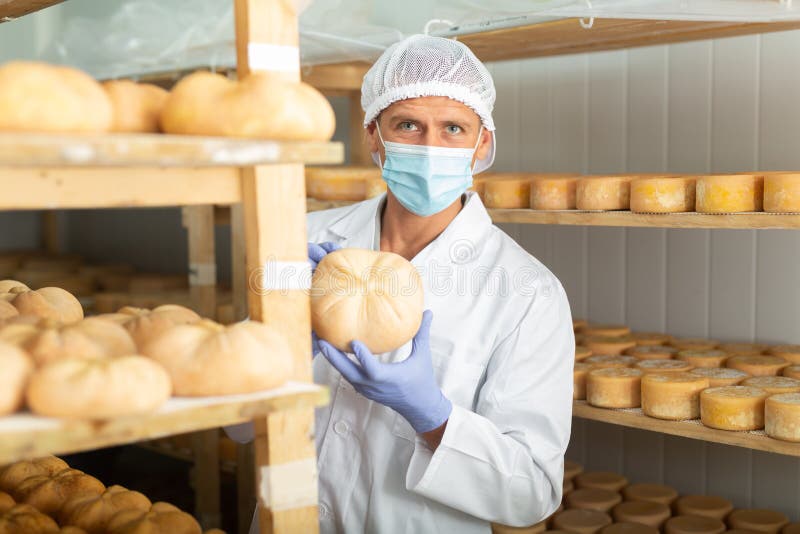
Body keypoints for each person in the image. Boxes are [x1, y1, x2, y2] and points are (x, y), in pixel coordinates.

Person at [229, 34, 573, 534]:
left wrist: (433, 417)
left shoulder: (528, 292)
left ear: (482, 143)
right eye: (407, 125)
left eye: (453, 128)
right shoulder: (301, 242)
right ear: (374, 135)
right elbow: (234, 422)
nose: (430, 147)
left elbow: (532, 493)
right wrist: (282, 351)